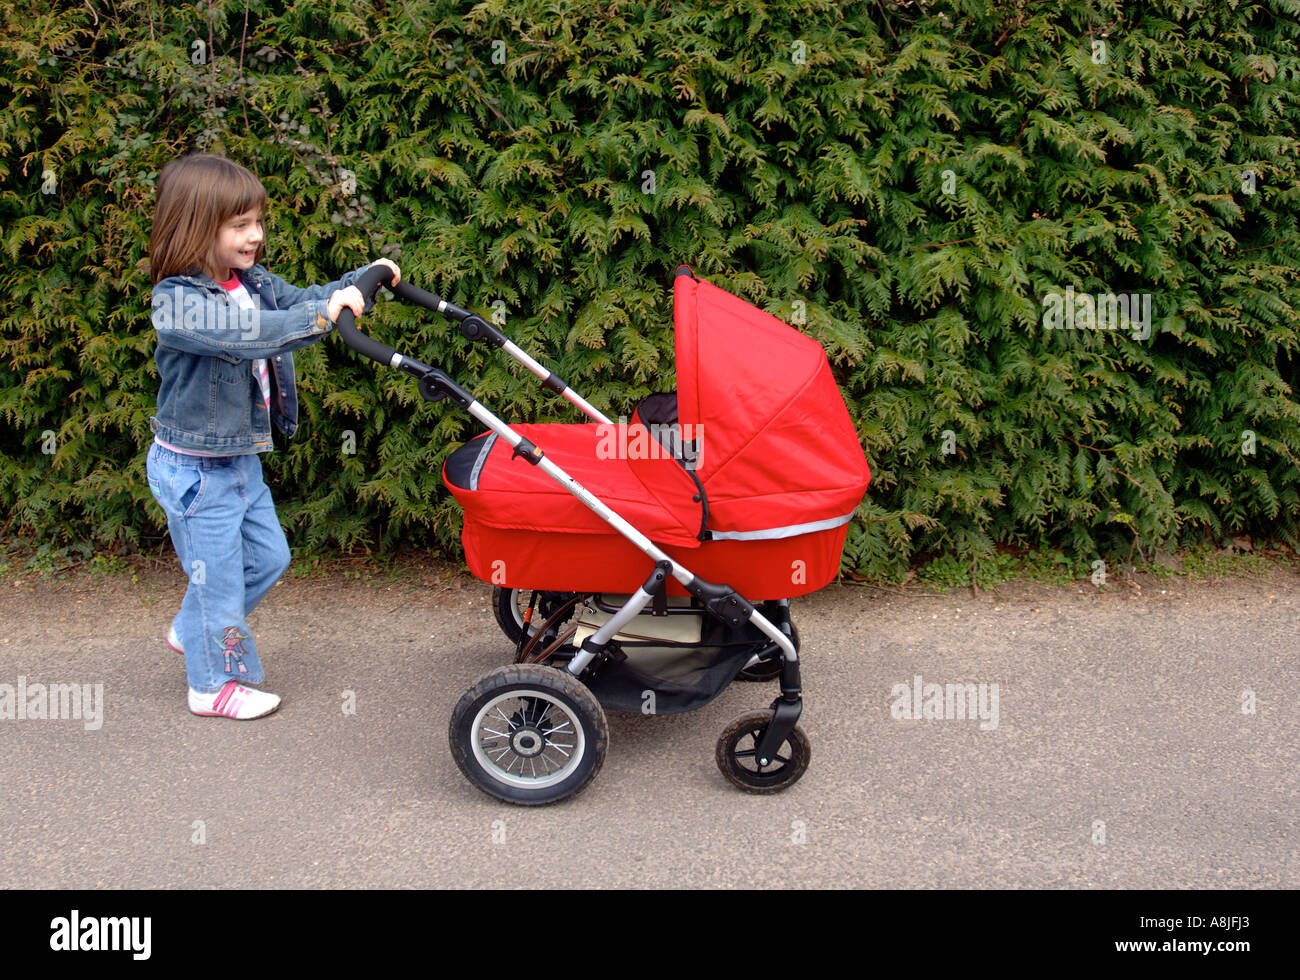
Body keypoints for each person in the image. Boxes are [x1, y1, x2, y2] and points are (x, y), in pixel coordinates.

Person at [144, 152, 400, 719]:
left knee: (269, 558)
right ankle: (213, 686)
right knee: (219, 587)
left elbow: (299, 300)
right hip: (194, 473)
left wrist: (358, 281)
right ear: (194, 225)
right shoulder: (178, 304)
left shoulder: (250, 280)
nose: (256, 235)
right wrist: (322, 317)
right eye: (240, 225)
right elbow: (248, 335)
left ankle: (193, 630)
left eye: (258, 222)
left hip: (238, 463)